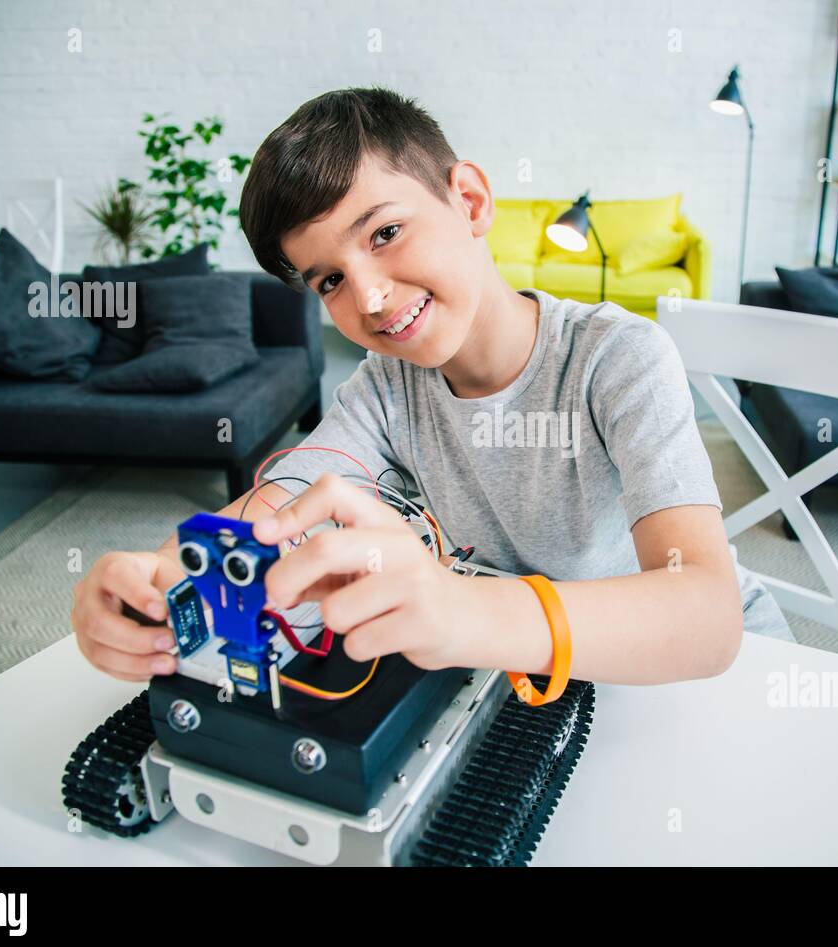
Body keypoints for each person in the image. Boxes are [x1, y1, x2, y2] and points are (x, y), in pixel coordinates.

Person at [71, 86, 793, 686]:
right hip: (536, 683)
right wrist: (161, 574)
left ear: (472, 202)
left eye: (383, 234)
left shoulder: (618, 357)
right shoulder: (387, 387)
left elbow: (706, 614)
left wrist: (461, 611)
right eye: (330, 280)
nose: (372, 298)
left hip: (706, 685)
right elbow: (278, 503)